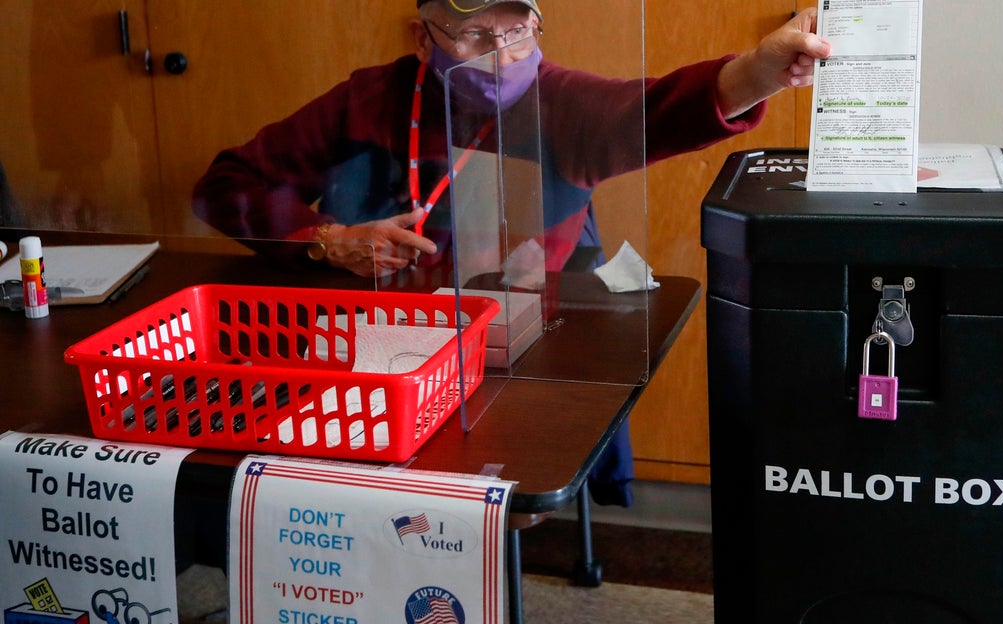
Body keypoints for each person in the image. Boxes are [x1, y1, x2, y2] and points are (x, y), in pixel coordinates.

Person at [192, 0, 830, 505]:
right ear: (423, 36)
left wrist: (756, 72)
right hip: (380, 339)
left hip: (512, 348)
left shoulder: (562, 101)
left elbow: (657, 110)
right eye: (474, 37)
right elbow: (227, 185)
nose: (500, 56)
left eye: (518, 32)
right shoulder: (370, 98)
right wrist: (326, 241)